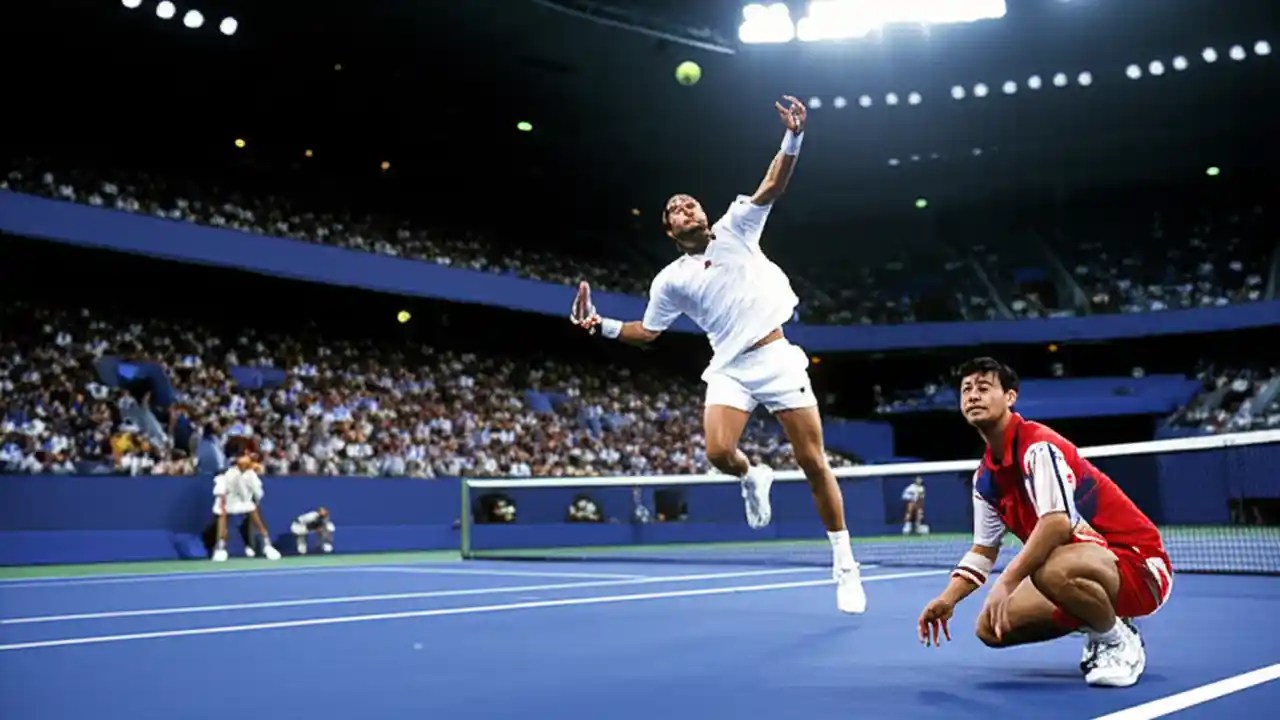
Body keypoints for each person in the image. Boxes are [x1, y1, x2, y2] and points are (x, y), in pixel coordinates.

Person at [571, 96, 866, 614]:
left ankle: (845, 565)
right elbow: (648, 333)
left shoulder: (736, 227)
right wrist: (602, 325)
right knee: (717, 454)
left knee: (812, 461)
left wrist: (793, 136)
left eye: (688, 204)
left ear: (703, 214)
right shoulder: (671, 280)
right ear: (669, 230)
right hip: (730, 369)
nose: (683, 210)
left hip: (775, 359)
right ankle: (752, 476)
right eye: (673, 211)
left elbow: (773, 183)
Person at [917, 357, 1173, 688]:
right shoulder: (985, 479)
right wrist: (948, 598)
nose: (973, 396)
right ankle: (1104, 620)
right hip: (1080, 565)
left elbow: (1057, 524)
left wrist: (1006, 582)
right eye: (966, 390)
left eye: (983, 387)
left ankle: (1117, 642)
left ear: (1010, 397)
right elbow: (982, 551)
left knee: (1048, 568)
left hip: (1139, 567)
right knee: (991, 628)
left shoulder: (1037, 445)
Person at [210, 453, 281, 562]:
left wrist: (254, 500)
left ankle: (267, 545)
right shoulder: (226, 474)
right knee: (222, 513)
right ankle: (221, 547)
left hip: (244, 502)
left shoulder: (251, 475)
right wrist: (223, 506)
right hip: (228, 501)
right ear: (237, 463)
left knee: (254, 510)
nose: (245, 465)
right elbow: (220, 491)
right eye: (242, 463)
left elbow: (258, 492)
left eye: (247, 464)